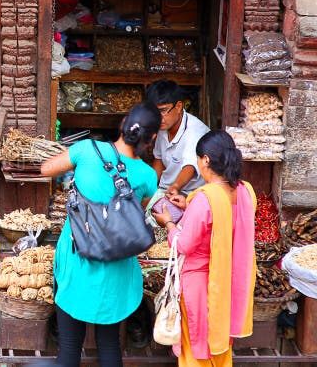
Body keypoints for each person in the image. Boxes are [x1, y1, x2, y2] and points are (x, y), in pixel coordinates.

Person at [40, 103, 161, 367]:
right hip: (116, 270)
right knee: (109, 346)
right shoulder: (148, 176)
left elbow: (46, 169)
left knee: (70, 348)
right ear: (151, 139)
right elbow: (133, 213)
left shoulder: (86, 150)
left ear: (122, 125)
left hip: (76, 262)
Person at [152, 130, 255, 367]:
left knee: (197, 351)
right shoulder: (245, 191)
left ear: (206, 160)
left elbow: (184, 244)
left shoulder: (205, 198)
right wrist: (189, 205)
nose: (197, 163)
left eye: (197, 158)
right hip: (228, 285)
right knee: (219, 349)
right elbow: (223, 220)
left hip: (200, 286)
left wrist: (168, 223)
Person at [145, 80, 210, 209]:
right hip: (166, 189)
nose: (159, 117)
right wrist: (148, 187)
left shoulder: (195, 131)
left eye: (163, 111)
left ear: (179, 106)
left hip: (189, 194)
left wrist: (175, 186)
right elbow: (159, 160)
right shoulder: (163, 126)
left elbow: (190, 167)